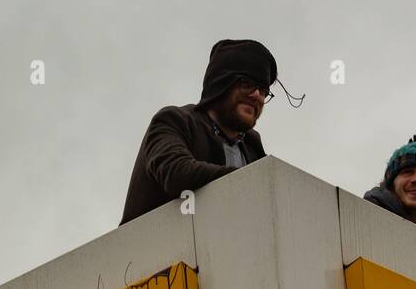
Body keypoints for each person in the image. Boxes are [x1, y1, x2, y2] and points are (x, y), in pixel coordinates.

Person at [120, 39, 296, 226]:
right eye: (246, 83)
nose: (257, 95)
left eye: (263, 90)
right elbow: (177, 174)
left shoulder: (251, 144)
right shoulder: (174, 120)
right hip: (151, 248)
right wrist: (249, 180)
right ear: (221, 82)